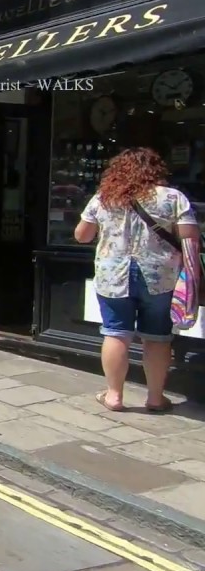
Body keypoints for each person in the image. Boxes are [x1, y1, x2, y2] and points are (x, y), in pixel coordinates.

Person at [75, 147, 198, 413]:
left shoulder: (105, 197)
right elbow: (190, 239)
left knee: (116, 333)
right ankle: (155, 398)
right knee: (158, 337)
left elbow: (82, 236)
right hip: (159, 276)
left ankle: (114, 396)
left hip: (113, 275)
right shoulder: (174, 198)